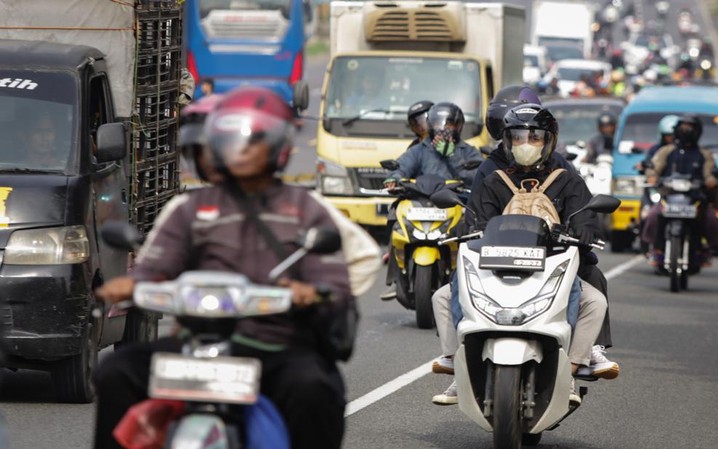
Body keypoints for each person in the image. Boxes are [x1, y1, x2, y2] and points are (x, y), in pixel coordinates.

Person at [92, 86, 353, 449]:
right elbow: (157, 264)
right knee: (117, 372)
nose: (240, 150)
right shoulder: (192, 209)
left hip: (273, 344)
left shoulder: (305, 210)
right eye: (232, 140)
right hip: (196, 343)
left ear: (278, 147)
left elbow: (334, 283)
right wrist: (134, 284)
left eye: (253, 142)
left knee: (313, 388)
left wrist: (313, 293)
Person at [431, 96, 620, 405]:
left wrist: (585, 228)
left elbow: (586, 215)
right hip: (498, 264)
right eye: (519, 137)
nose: (527, 143)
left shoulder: (569, 181)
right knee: (442, 296)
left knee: (595, 301)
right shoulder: (493, 181)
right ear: (507, 141)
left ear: (549, 141)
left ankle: (570, 372)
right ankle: (459, 367)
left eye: (535, 137)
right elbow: (475, 217)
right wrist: (463, 230)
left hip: (554, 265)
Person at [379, 102, 484, 301]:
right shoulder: (421, 149)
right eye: (439, 124)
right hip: (420, 202)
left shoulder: (466, 151)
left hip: (453, 203)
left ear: (458, 126)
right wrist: (394, 178)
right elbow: (403, 166)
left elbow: (477, 176)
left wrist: (451, 155)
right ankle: (395, 276)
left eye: (450, 124)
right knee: (395, 217)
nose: (444, 128)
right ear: (431, 125)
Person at [642, 114, 718, 265]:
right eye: (683, 126)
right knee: (653, 216)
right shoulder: (666, 151)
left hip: (695, 198)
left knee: (710, 219)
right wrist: (652, 176)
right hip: (668, 195)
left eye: (690, 127)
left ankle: (703, 250)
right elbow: (654, 168)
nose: (686, 130)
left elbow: (709, 173)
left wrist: (711, 180)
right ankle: (657, 250)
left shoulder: (704, 154)